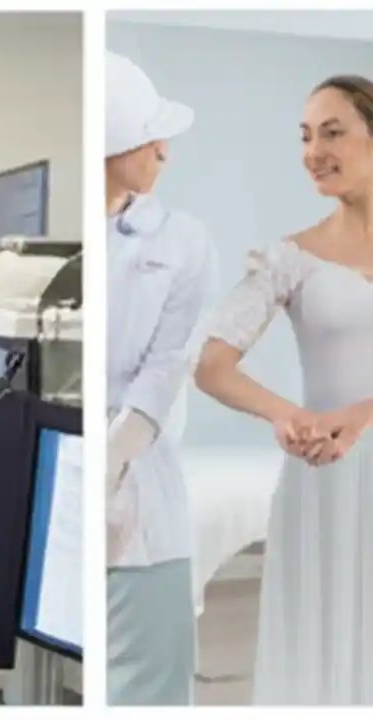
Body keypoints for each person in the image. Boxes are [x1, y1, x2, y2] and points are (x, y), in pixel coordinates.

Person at [195, 74, 373, 705]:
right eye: (305, 137)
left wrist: (362, 413)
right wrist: (289, 414)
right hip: (328, 479)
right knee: (320, 658)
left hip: (355, 443)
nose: (313, 152)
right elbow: (212, 365)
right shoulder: (290, 258)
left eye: (333, 133)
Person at [104, 51, 216, 706]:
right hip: (87, 495)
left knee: (150, 692)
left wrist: (111, 467)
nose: (164, 153)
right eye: (151, 139)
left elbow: (166, 368)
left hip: (142, 499)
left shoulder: (182, 240)